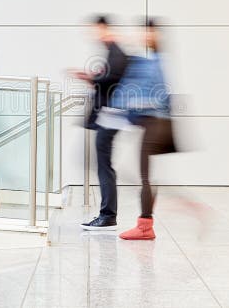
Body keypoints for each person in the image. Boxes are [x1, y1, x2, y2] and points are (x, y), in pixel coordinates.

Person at [108, 19, 175, 240]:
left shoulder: (155, 62)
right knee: (145, 175)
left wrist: (122, 108)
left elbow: (156, 96)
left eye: (148, 32)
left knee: (144, 176)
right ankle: (148, 221)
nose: (144, 36)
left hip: (154, 125)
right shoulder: (154, 59)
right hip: (154, 124)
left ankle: (146, 226)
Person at [74, 16, 128, 231]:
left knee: (104, 166)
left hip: (110, 117)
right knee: (103, 165)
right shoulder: (113, 52)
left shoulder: (116, 52)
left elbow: (113, 79)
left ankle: (108, 216)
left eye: (96, 30)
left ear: (104, 29)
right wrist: (94, 77)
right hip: (108, 116)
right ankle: (107, 215)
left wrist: (91, 79)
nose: (94, 34)